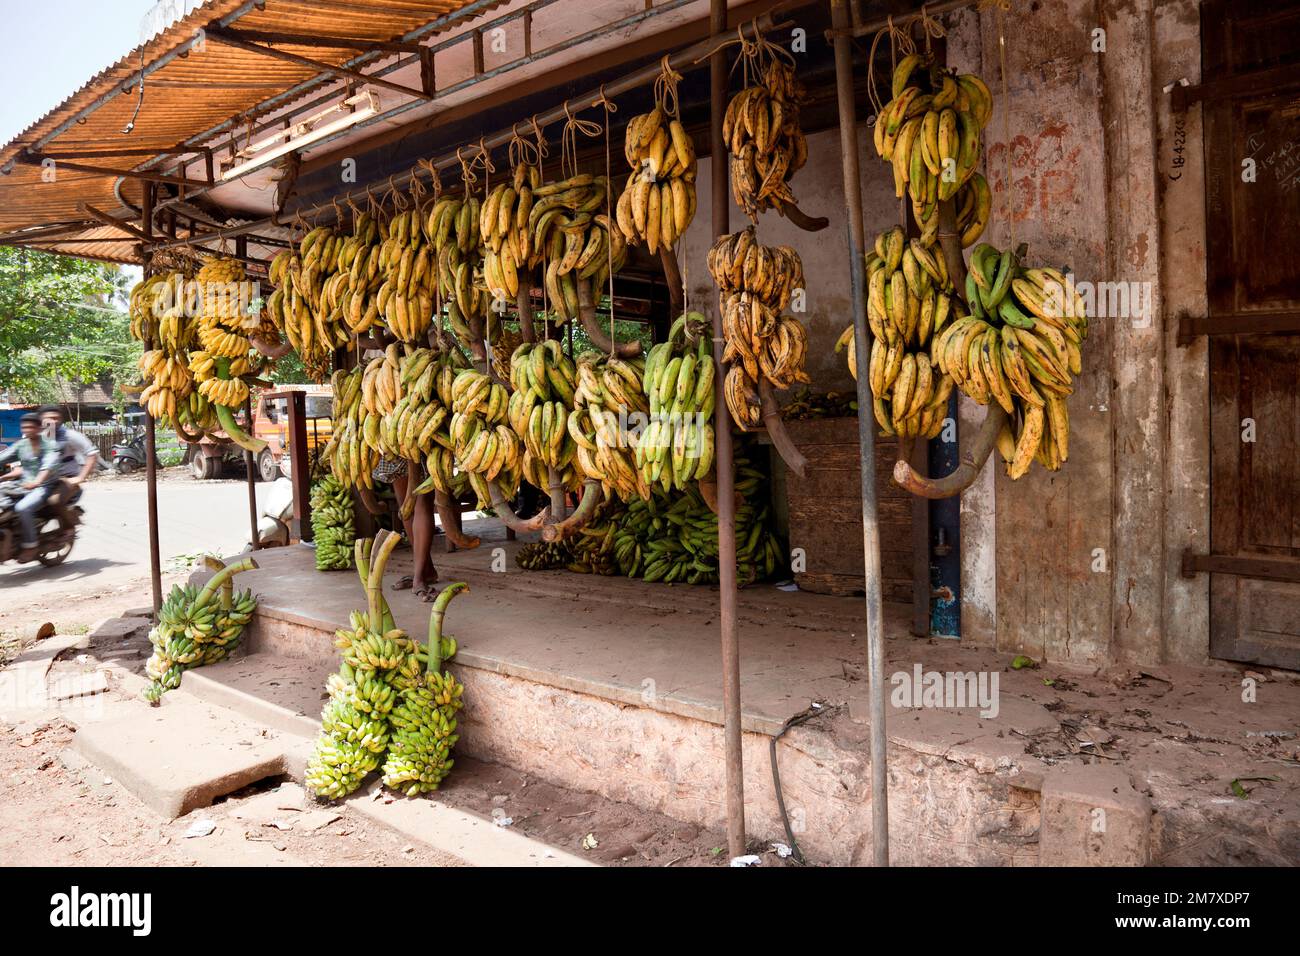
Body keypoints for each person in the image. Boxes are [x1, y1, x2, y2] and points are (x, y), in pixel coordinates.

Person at [372, 455, 439, 601]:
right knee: (406, 506)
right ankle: (425, 570)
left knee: (421, 502)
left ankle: (419, 576)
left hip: (419, 445)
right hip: (391, 445)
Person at [0, 413, 61, 560]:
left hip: (44, 486)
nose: (27, 430)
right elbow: (3, 457)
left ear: (39, 428)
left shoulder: (49, 445)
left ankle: (31, 545)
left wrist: (37, 481)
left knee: (22, 508)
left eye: (30, 427)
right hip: (22, 484)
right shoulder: (22, 445)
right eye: (24, 427)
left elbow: (48, 465)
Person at [38, 406, 98, 499]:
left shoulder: (70, 435)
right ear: (41, 419)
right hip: (41, 478)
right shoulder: (35, 436)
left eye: (56, 418)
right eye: (49, 418)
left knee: (54, 501)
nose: (53, 421)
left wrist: (81, 477)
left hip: (65, 478)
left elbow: (92, 454)